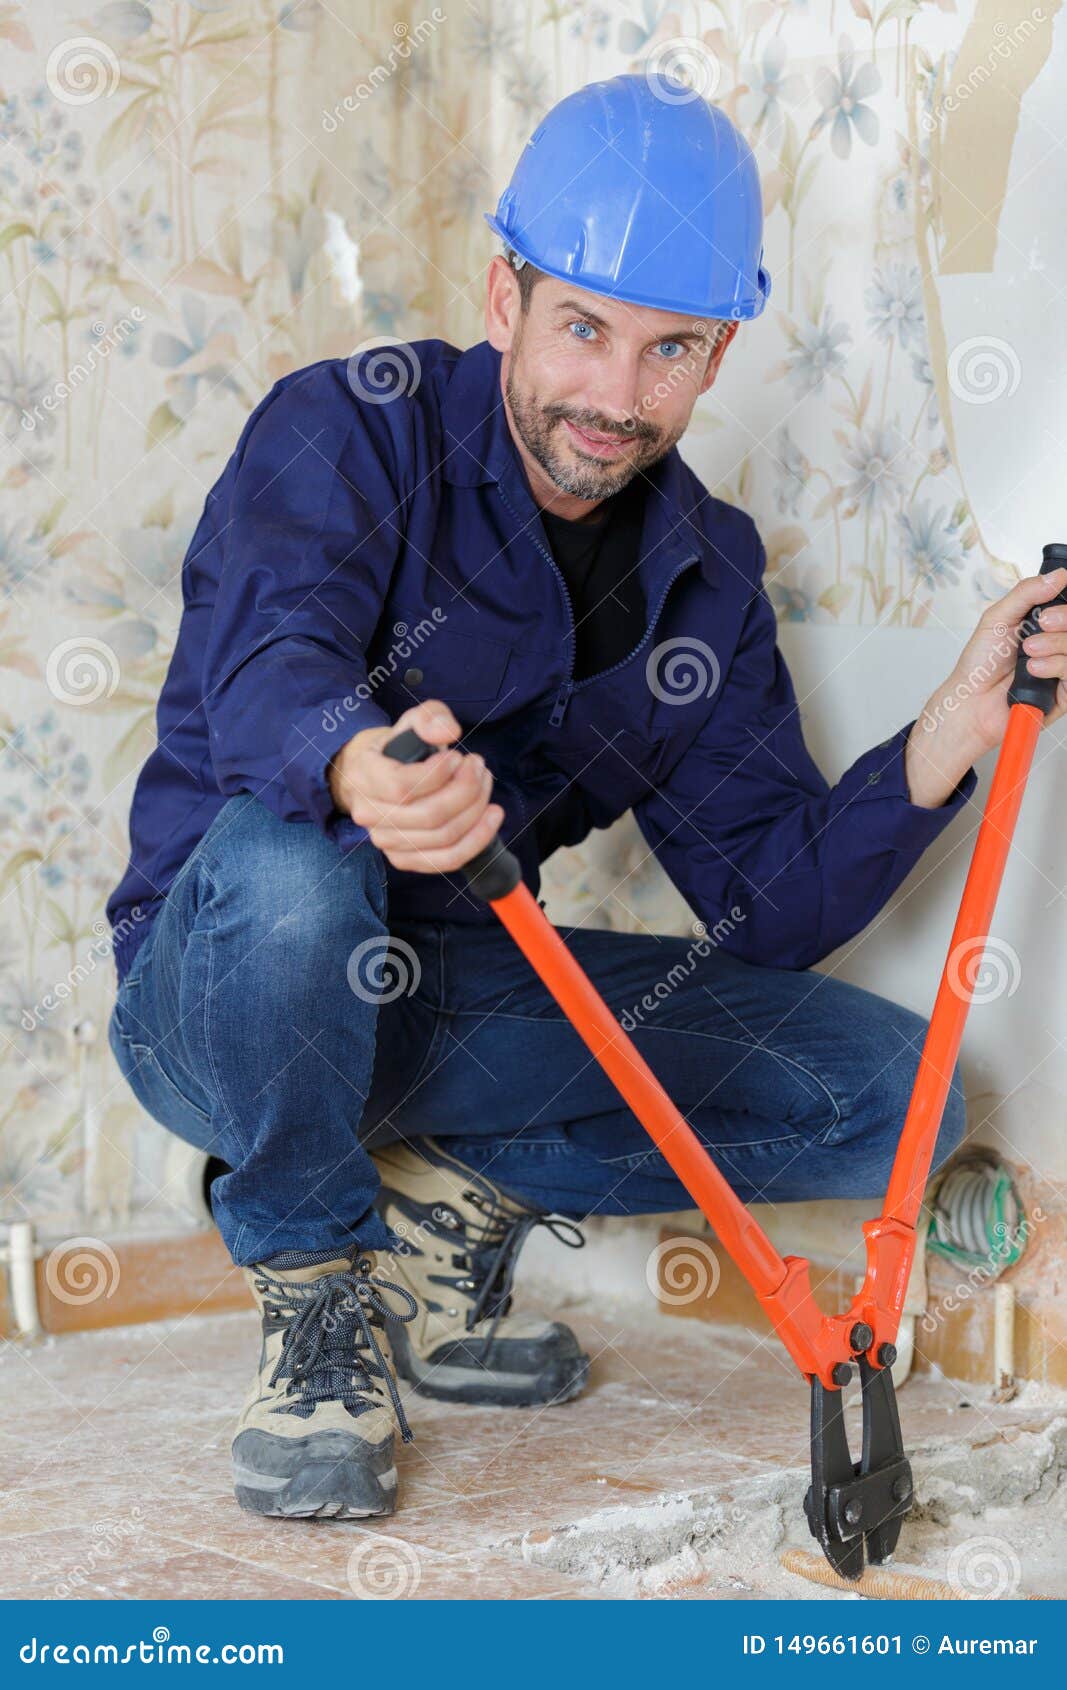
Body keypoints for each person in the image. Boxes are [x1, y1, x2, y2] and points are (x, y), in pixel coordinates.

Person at [106, 74, 1067, 1521]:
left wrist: (954, 722)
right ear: (504, 296)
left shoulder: (705, 576)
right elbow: (268, 668)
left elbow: (768, 904)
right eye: (584, 329)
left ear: (718, 352)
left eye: (669, 348)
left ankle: (434, 1210)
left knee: (882, 1094)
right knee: (306, 864)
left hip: (445, 1006)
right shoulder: (348, 432)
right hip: (223, 994)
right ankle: (313, 1293)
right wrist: (362, 765)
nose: (616, 398)